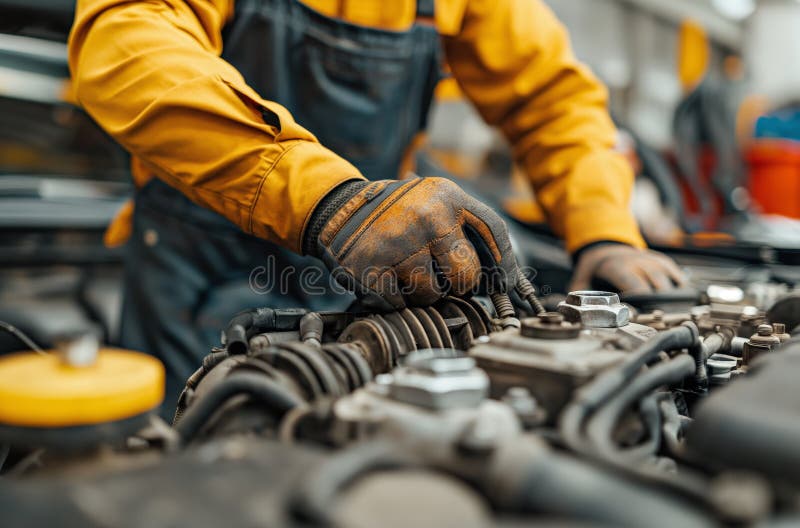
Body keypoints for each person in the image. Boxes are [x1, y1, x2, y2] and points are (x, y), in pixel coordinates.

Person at [68, 0, 685, 397]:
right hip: (195, 273)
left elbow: (551, 99)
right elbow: (126, 39)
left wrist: (603, 231)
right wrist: (326, 198)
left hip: (373, 277)